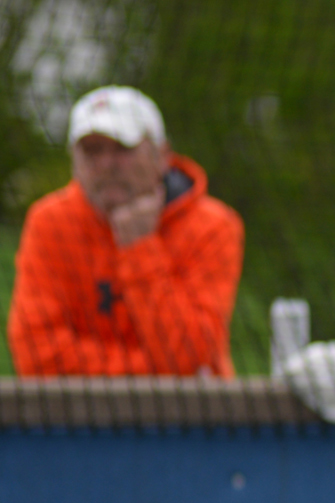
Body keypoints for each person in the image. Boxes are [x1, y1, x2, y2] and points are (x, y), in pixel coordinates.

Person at [8, 85, 244, 377]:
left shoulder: (212, 226)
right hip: (74, 416)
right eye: (92, 151)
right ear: (74, 163)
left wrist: (139, 246)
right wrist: (154, 372)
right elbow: (35, 355)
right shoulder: (50, 222)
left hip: (189, 418)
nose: (107, 165)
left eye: (123, 149)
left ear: (162, 155)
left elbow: (192, 358)